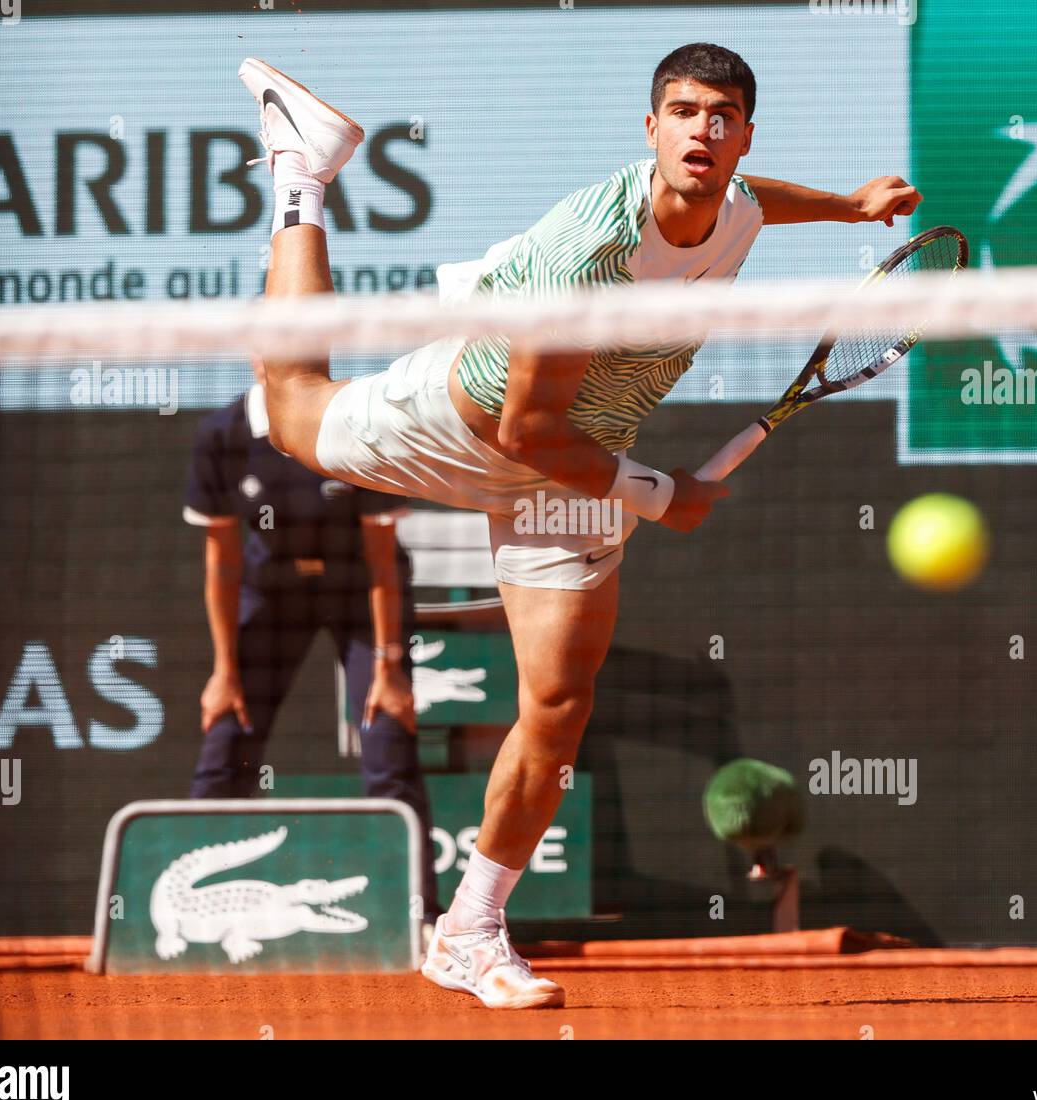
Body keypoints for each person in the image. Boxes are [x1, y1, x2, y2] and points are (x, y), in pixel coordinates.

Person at [237, 42, 921, 1008]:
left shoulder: (735, 203)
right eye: (684, 114)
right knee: (293, 405)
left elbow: (754, 197)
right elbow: (526, 428)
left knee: (557, 706)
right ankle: (303, 171)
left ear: (742, 136)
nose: (704, 132)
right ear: (652, 130)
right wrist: (656, 494)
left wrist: (851, 206)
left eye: (722, 118)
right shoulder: (592, 260)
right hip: (471, 426)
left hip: (576, 464)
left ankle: (468, 929)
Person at [182, 359, 441, 923]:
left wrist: (390, 666)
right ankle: (191, 917)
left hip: (359, 593)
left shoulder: (357, 426)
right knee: (227, 735)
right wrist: (224, 671)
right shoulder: (221, 437)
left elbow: (381, 560)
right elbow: (222, 562)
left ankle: (416, 920)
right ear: (255, 357)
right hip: (271, 593)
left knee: (388, 742)